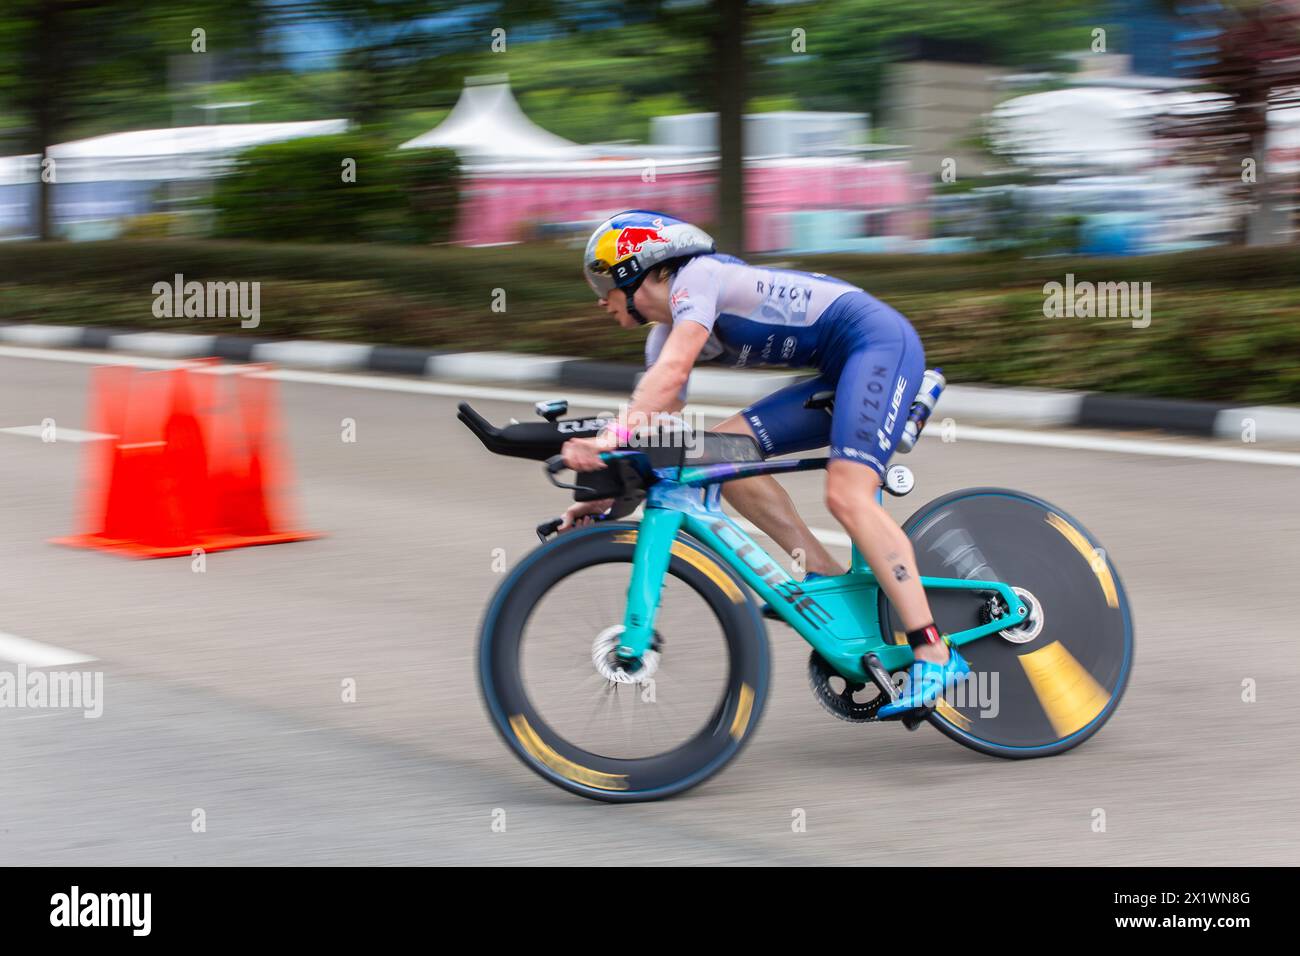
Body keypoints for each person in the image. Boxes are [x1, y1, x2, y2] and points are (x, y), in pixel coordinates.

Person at [559, 210, 967, 718]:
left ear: (637, 269)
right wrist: (604, 492)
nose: (600, 300)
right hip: (846, 369)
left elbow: (667, 379)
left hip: (879, 346)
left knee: (846, 494)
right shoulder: (664, 334)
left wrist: (603, 439)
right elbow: (656, 428)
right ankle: (821, 573)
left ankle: (932, 648)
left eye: (603, 282)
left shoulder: (697, 280)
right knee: (714, 453)